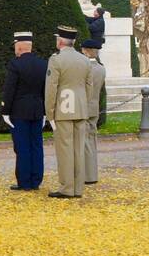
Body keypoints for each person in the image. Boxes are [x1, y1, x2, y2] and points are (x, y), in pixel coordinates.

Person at [44, 25, 91, 199]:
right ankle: (78, 187)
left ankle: (67, 187)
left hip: (63, 109)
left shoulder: (56, 60)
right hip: (80, 108)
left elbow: (51, 88)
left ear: (60, 41)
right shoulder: (85, 59)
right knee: (78, 150)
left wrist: (50, 113)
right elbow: (89, 86)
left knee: (65, 150)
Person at [2, 31, 47, 191]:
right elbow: (44, 89)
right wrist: (45, 110)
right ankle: (36, 179)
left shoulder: (15, 64)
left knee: (22, 146)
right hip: (37, 110)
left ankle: (24, 181)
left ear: (19, 47)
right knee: (36, 145)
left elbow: (10, 89)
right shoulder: (42, 63)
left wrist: (5, 110)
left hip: (19, 111)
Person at [81, 38, 106, 186]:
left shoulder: (86, 68)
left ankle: (88, 175)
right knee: (91, 141)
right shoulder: (101, 68)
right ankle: (91, 173)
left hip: (84, 107)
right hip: (94, 107)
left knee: (85, 143)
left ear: (86, 50)